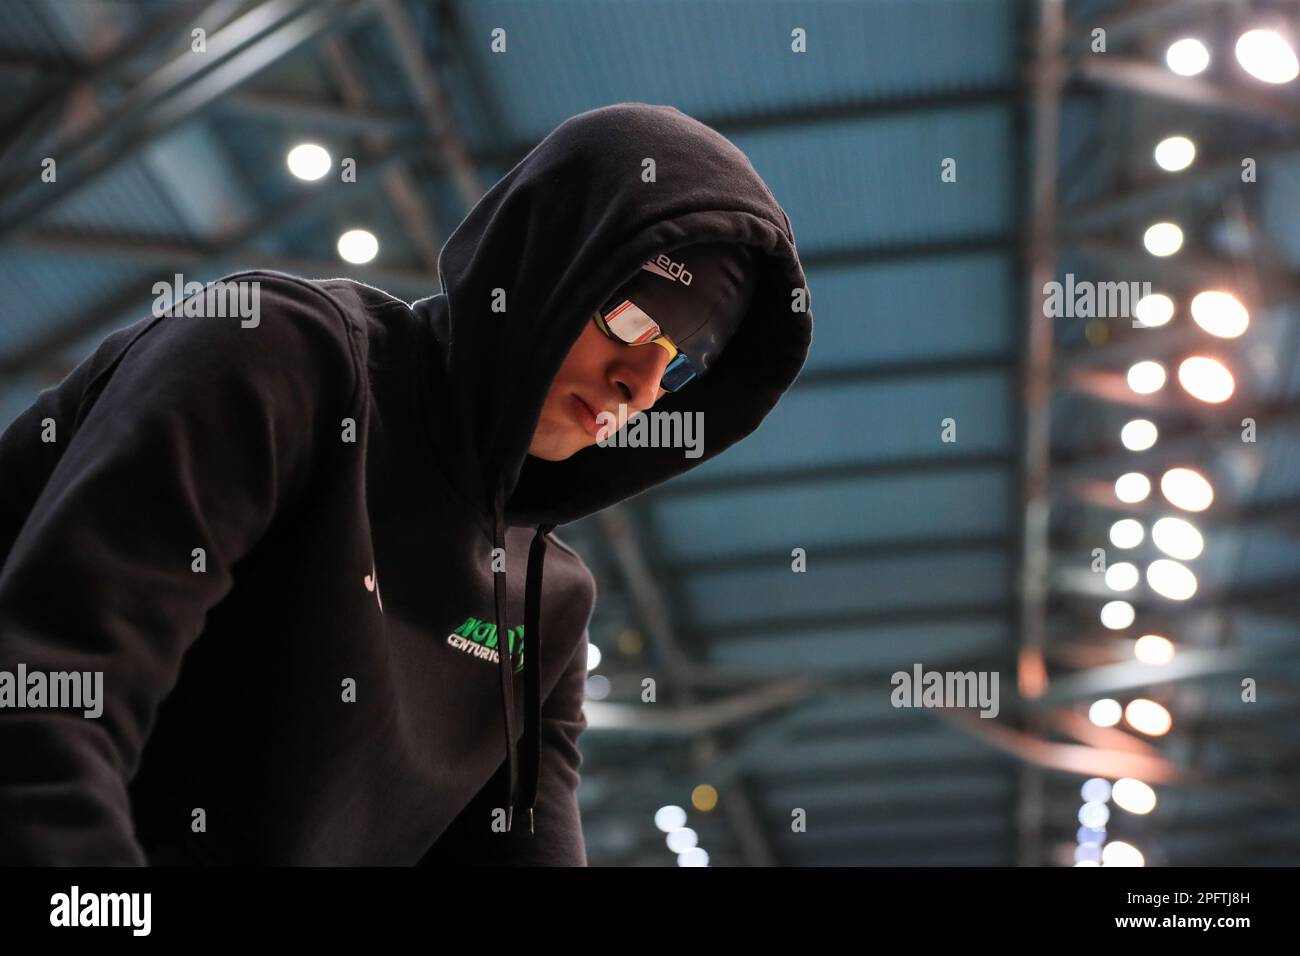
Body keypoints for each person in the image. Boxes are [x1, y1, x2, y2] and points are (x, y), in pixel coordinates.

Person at [0, 102, 812, 865]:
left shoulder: (547, 602)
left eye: (680, 367)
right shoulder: (277, 358)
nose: (641, 384)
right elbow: (44, 695)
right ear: (544, 259)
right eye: (633, 322)